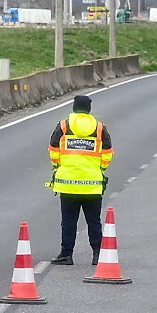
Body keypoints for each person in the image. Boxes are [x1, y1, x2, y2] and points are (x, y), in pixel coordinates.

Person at [47, 93, 114, 266]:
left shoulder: (63, 126)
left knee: (68, 221)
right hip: (92, 185)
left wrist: (58, 166)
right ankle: (97, 254)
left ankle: (66, 255)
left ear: (74, 108)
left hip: (68, 184)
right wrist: (100, 169)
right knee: (94, 221)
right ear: (89, 109)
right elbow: (107, 152)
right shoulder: (99, 128)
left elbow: (53, 148)